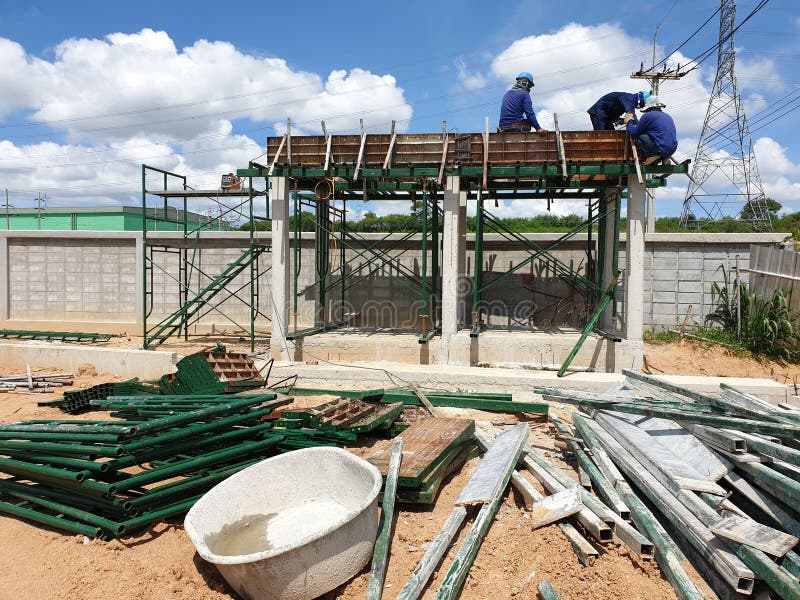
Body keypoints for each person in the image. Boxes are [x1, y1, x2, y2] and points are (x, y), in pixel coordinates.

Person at [624, 95, 678, 165]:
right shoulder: (668, 116)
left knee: (638, 135)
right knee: (658, 136)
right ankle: (665, 158)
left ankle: (652, 155)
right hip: (671, 150)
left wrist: (629, 122)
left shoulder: (648, 115)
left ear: (649, 107)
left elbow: (633, 133)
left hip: (658, 149)